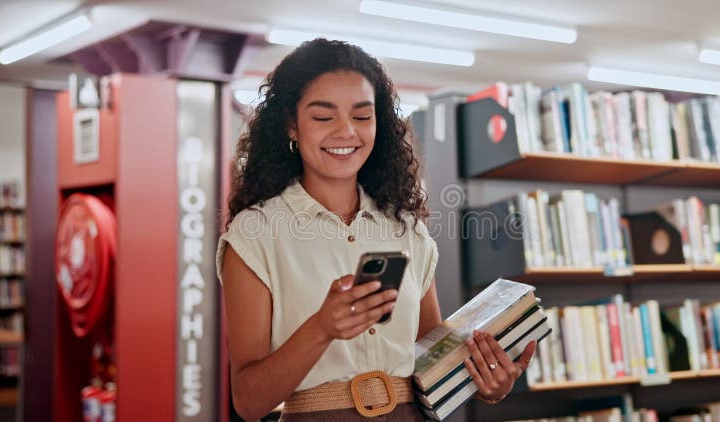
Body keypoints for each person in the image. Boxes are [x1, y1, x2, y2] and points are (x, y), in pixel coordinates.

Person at [216, 38, 536, 421]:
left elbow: (431, 366)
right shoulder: (256, 234)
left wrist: (489, 384)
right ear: (291, 124)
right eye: (323, 117)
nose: (346, 131)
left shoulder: (408, 231)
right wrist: (321, 328)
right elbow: (248, 403)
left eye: (362, 116)